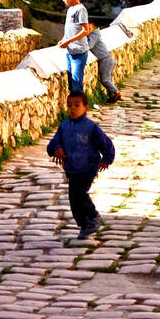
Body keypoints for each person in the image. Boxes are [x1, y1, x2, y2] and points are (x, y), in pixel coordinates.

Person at [47, 90, 115, 238]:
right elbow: (53, 143)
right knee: (73, 198)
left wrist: (106, 159)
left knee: (79, 193)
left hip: (88, 168)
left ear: (85, 108)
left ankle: (93, 216)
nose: (72, 108)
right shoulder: (64, 126)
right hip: (71, 168)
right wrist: (56, 149)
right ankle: (84, 225)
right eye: (69, 105)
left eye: (77, 105)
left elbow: (106, 143)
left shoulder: (91, 127)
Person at [58, 0, 90, 90]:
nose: (63, 0)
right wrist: (64, 39)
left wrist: (68, 41)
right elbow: (70, 28)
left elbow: (85, 30)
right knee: (71, 84)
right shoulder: (70, 10)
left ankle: (81, 105)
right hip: (69, 52)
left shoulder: (81, 9)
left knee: (76, 83)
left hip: (79, 53)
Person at [83, 21, 122, 103]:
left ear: (93, 27)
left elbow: (89, 46)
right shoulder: (95, 35)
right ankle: (112, 97)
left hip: (105, 60)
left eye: (88, 28)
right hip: (109, 59)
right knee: (109, 79)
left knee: (105, 80)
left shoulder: (94, 36)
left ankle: (116, 92)